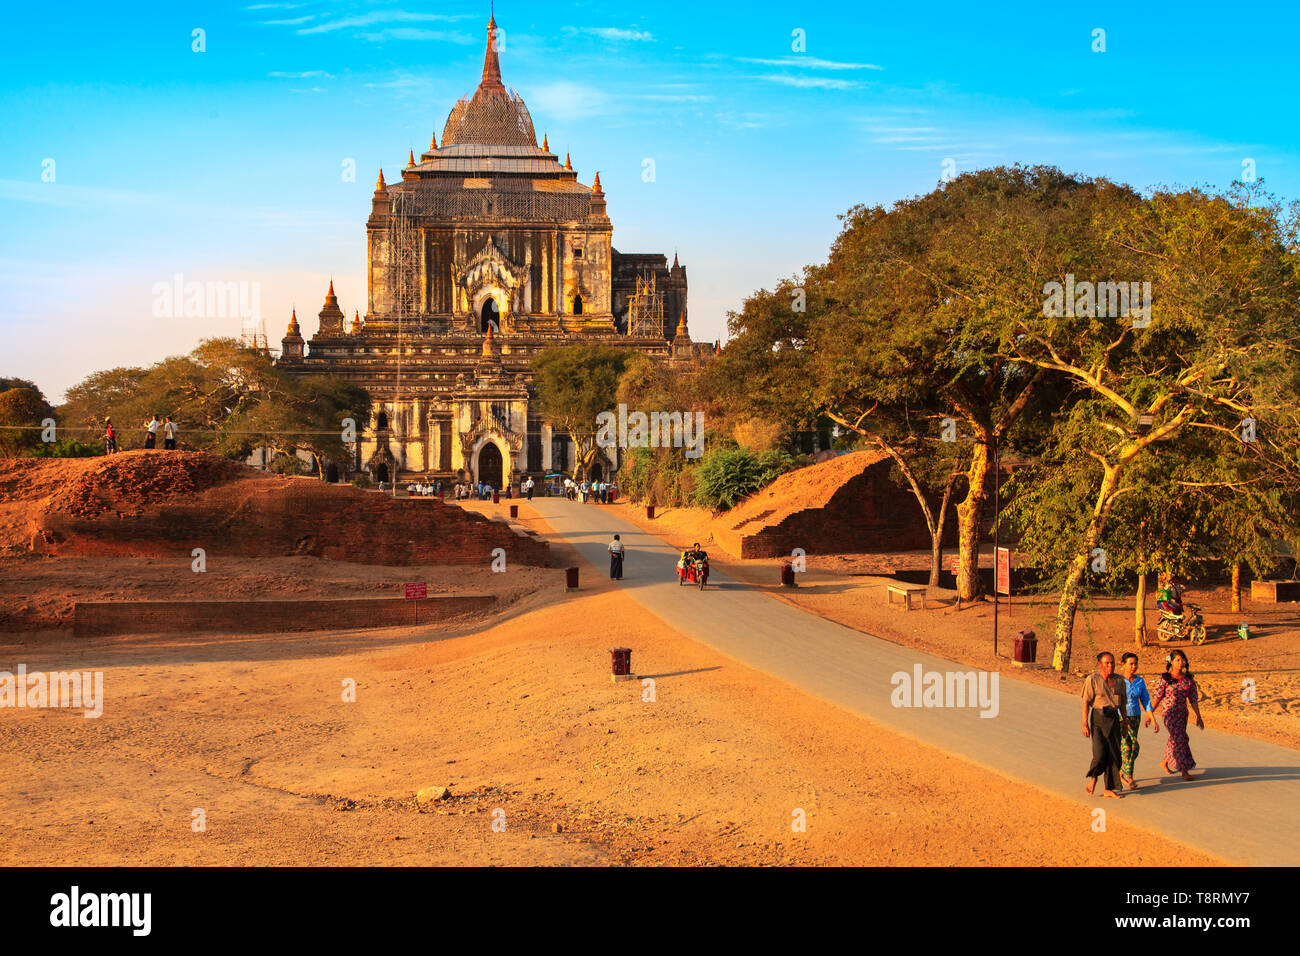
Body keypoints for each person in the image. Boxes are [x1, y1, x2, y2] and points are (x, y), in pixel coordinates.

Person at [1150, 649, 1203, 780]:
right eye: (1177, 660)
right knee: (1181, 738)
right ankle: (1184, 770)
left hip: (1182, 714)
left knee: (1176, 738)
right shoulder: (1165, 679)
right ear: (1171, 662)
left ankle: (1164, 762)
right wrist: (1149, 715)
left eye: (1182, 659)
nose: (1180, 662)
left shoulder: (1188, 680)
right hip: (1169, 713)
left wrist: (1199, 716)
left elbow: (1193, 699)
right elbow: (1157, 697)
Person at [1081, 650, 1127, 799]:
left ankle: (1109, 788)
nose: (1110, 666)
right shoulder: (1093, 679)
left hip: (1113, 719)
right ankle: (1094, 779)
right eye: (1107, 663)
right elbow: (1086, 703)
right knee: (1100, 753)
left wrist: (1125, 723)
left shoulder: (1119, 681)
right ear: (1100, 664)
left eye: (1112, 662)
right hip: (1098, 719)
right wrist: (1084, 723)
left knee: (1114, 754)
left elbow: (1122, 705)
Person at [1118, 652, 1158, 790]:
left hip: (1135, 717)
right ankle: (1128, 776)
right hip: (1121, 718)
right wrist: (1120, 717)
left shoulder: (1140, 681)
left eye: (1135, 664)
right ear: (1123, 664)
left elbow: (1146, 700)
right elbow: (1114, 700)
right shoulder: (1118, 680)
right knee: (1130, 746)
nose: (1133, 666)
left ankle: (1123, 772)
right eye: (1130, 664)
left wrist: (1153, 719)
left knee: (1132, 747)